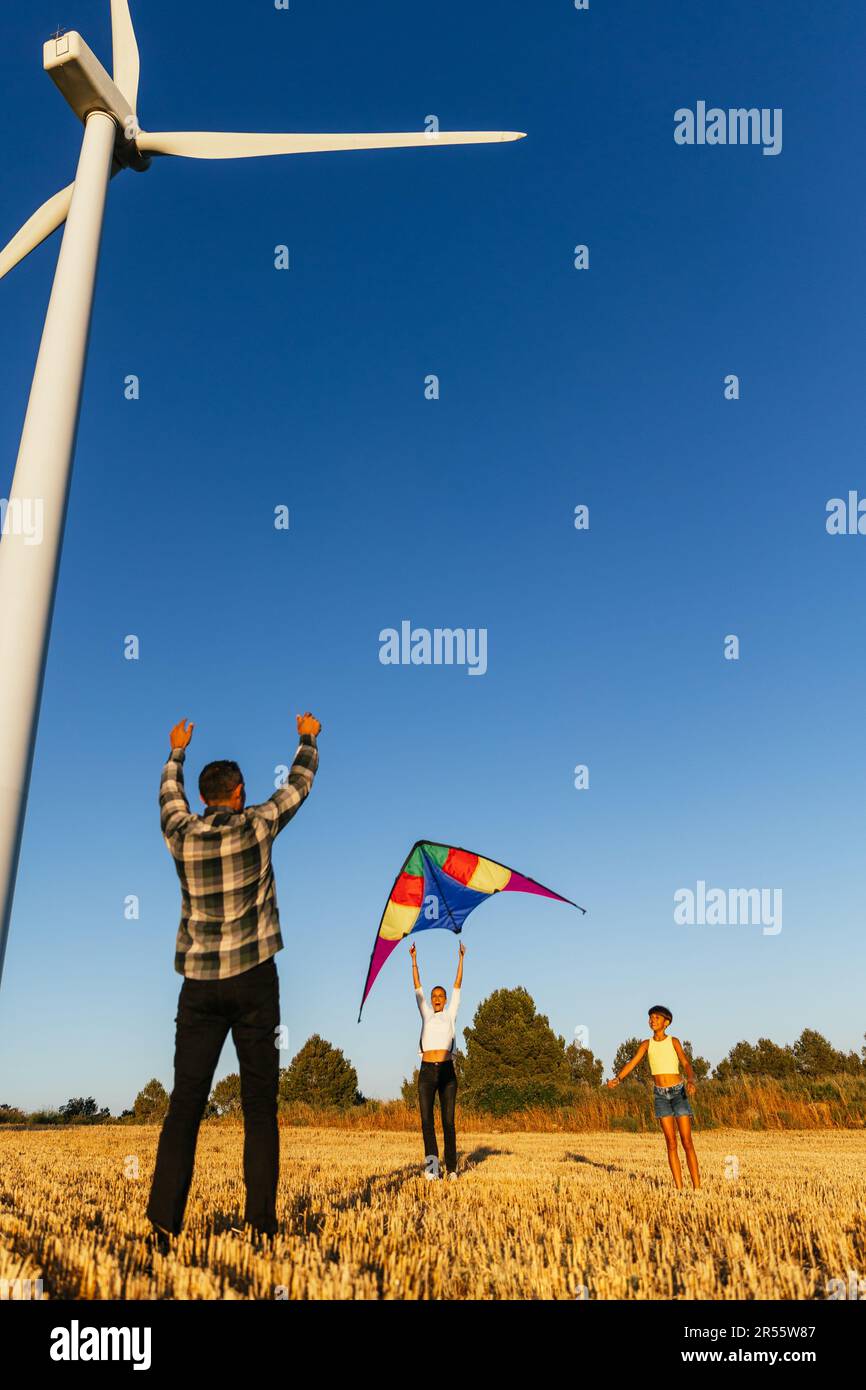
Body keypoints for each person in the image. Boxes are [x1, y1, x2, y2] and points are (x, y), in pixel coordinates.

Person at [146, 710, 321, 1250]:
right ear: (239, 792)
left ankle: (162, 1227)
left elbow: (166, 797)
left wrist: (176, 750)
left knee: (185, 1106)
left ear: (203, 799)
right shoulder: (258, 825)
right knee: (260, 1106)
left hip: (199, 985)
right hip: (254, 982)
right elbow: (298, 786)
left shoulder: (181, 834)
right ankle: (262, 1228)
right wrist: (307, 738)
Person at [606, 1005, 701, 1190]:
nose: (652, 1020)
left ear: (666, 1022)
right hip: (660, 1095)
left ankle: (697, 1188)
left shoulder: (673, 1041)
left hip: (678, 1092)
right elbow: (632, 1063)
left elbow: (685, 1062)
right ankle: (679, 1189)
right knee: (671, 1143)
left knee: (686, 1141)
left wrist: (691, 1080)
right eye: (650, 1017)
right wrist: (618, 1078)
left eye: (656, 1017)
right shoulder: (646, 1044)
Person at [410, 939, 464, 1181]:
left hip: (447, 1073)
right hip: (426, 1073)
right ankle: (433, 1169)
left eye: (441, 995)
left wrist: (461, 958)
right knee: (426, 1122)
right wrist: (414, 961)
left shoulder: (450, 1015)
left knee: (449, 1122)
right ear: (431, 1001)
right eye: (435, 996)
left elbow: (457, 986)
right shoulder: (427, 1015)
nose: (438, 998)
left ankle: (451, 1169)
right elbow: (418, 988)